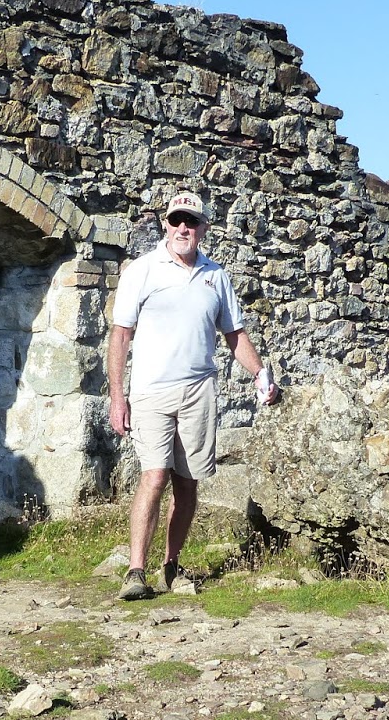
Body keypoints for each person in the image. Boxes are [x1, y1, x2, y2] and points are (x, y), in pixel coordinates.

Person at [107, 192, 278, 601]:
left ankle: (171, 565)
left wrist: (260, 374)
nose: (184, 228)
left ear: (203, 228)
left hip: (199, 391)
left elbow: (233, 334)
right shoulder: (142, 270)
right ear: (165, 224)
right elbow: (121, 334)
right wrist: (118, 396)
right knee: (154, 476)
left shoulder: (215, 276)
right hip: (150, 391)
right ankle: (135, 571)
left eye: (192, 221)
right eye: (177, 220)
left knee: (187, 484)